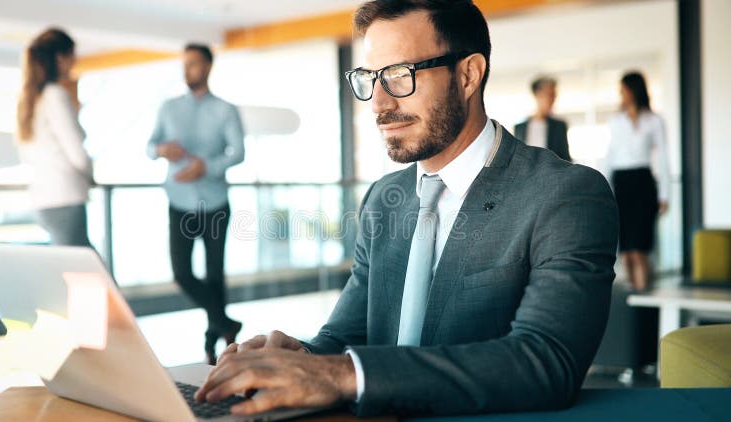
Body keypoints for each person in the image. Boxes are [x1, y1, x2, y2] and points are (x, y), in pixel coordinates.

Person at [194, 0, 618, 417]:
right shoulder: (384, 197)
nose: (379, 103)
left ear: (468, 75)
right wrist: (300, 356)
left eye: (400, 75)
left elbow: (545, 363)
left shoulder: (565, 194)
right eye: (370, 78)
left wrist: (340, 375)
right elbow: (348, 334)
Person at [147, 43, 244, 365]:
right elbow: (149, 147)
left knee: (215, 275)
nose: (186, 70)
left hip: (216, 203)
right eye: (184, 64)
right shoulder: (168, 108)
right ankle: (226, 323)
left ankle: (213, 341)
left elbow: (237, 152)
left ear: (207, 67)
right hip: (179, 203)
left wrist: (208, 166)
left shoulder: (226, 110)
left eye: (193, 64)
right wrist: (162, 150)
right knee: (182, 274)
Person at [16, 28, 92, 247]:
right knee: (85, 270)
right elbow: (77, 153)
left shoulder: (30, 99)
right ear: (61, 58)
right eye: (72, 58)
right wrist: (89, 174)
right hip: (65, 197)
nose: (74, 64)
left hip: (42, 199)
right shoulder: (55, 96)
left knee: (73, 266)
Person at [605, 71, 670, 291]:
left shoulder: (654, 120)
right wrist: (603, 189)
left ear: (634, 90)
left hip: (643, 184)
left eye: (623, 90)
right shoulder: (615, 121)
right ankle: (635, 302)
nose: (621, 94)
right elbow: (610, 157)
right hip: (621, 184)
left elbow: (662, 159)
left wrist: (665, 194)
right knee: (626, 252)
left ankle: (645, 302)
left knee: (640, 249)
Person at [514, 76, 572, 161]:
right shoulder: (519, 128)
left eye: (554, 96)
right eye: (550, 95)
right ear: (537, 95)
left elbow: (566, 159)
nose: (553, 100)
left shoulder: (560, 126)